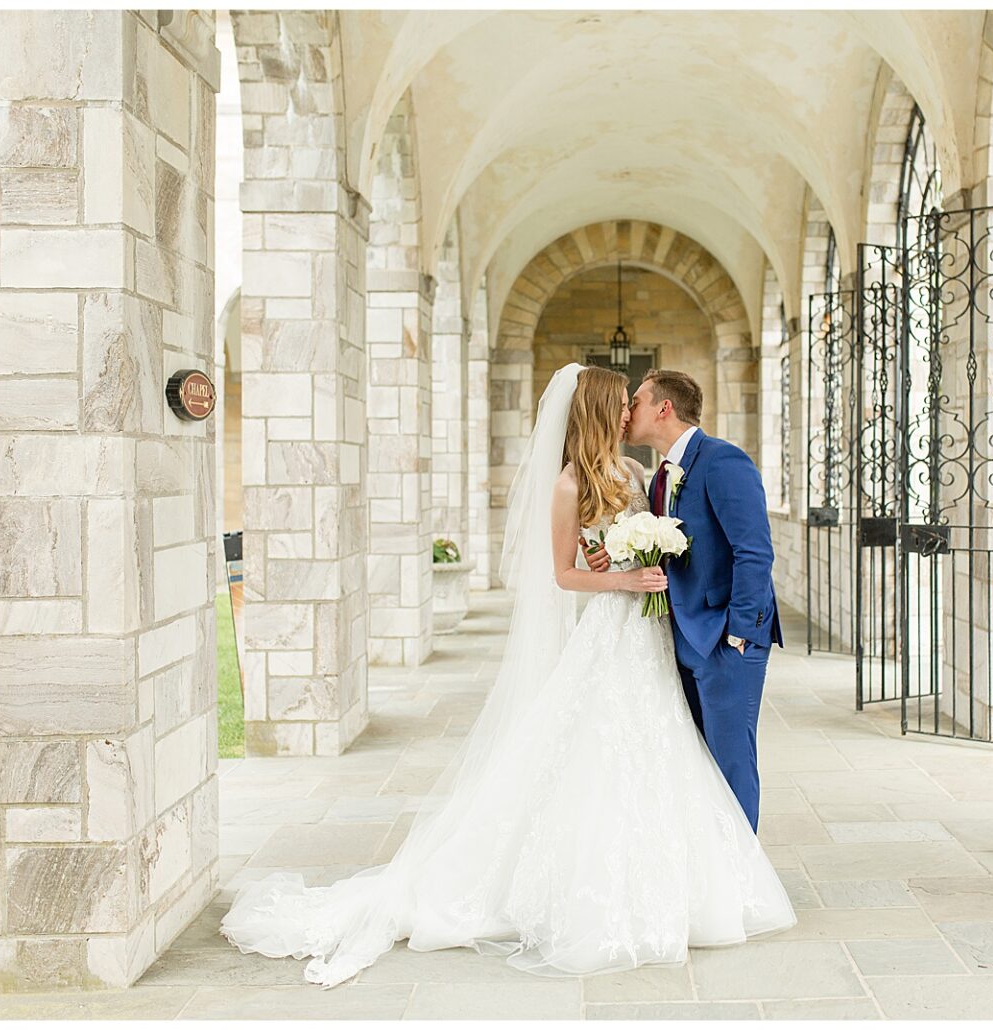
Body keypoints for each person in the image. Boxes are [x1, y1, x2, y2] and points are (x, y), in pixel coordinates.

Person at [218, 363, 795, 987]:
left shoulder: (639, 474)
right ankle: (641, 887)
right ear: (602, 411)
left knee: (687, 757)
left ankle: (711, 877)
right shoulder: (570, 483)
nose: (629, 410)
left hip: (661, 638)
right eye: (620, 403)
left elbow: (699, 546)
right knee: (607, 756)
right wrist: (617, 574)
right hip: (617, 632)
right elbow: (564, 574)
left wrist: (659, 580)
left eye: (636, 402)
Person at [620, 368, 784, 831]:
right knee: (698, 768)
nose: (629, 411)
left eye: (637, 400)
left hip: (724, 642)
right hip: (681, 639)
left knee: (731, 764)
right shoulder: (659, 479)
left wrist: (739, 633)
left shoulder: (723, 461)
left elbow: (754, 551)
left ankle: (744, 882)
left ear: (663, 408)